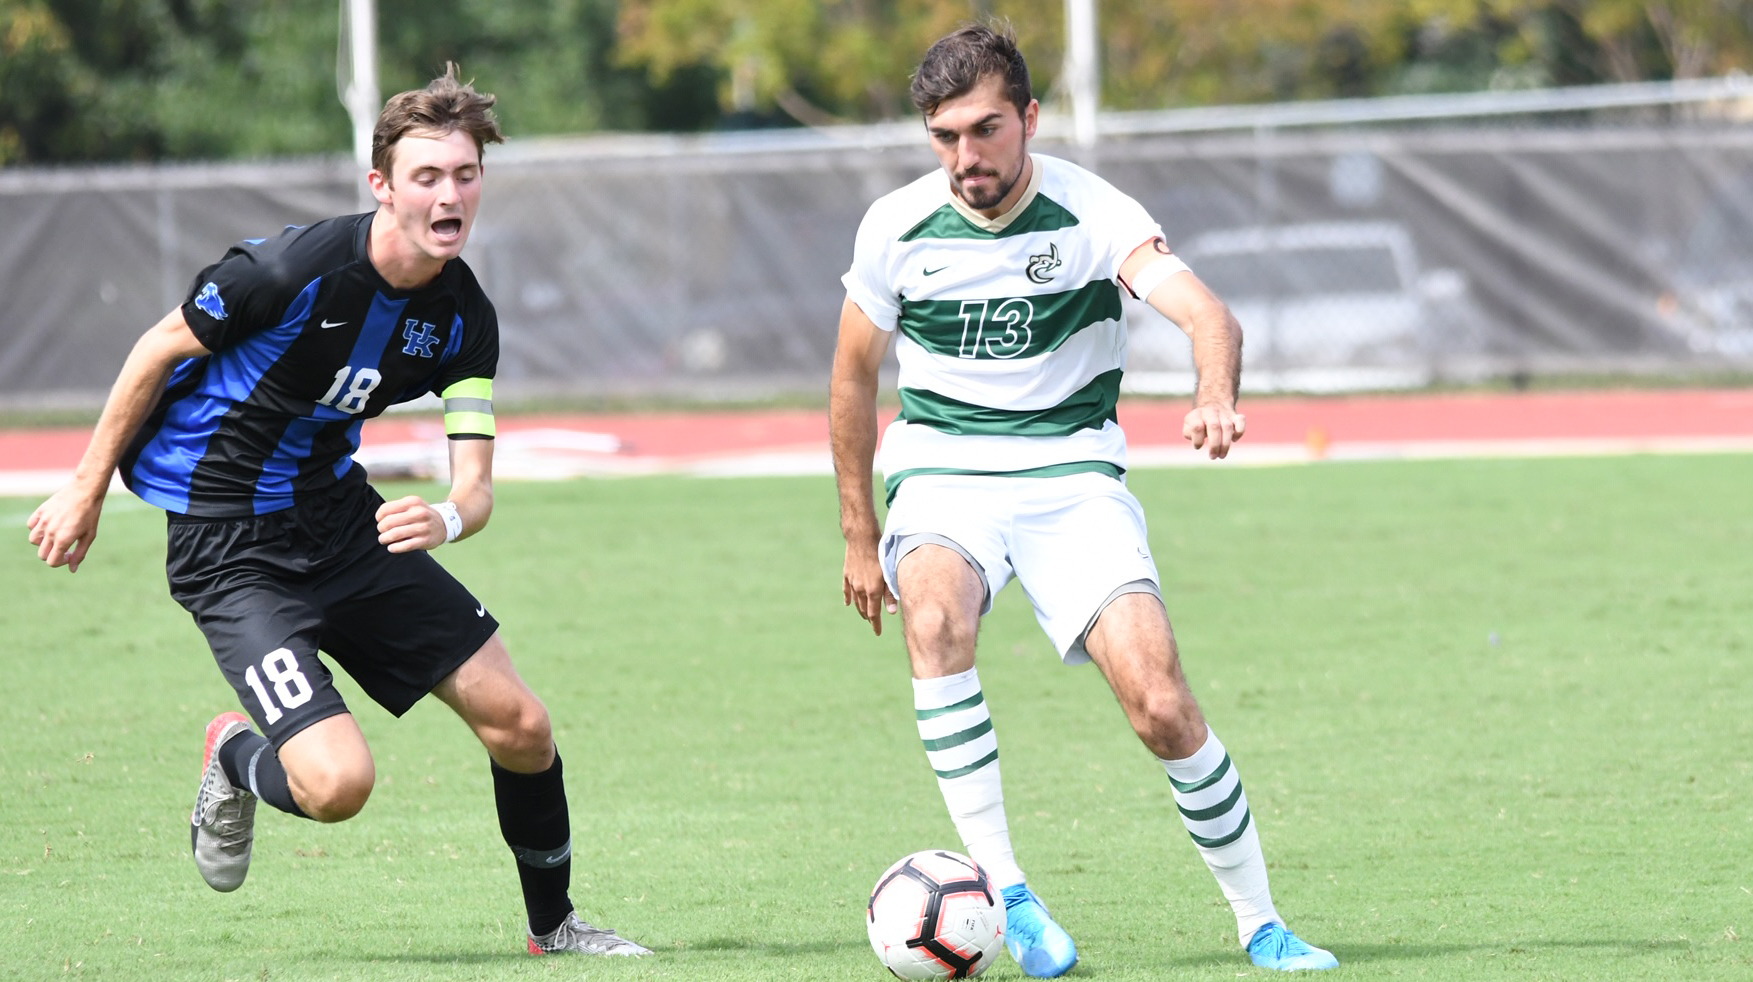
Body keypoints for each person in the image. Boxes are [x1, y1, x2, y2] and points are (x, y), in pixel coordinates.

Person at [25, 65, 649, 958]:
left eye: (465, 175)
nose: (449, 194)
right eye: (426, 177)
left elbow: (473, 484)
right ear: (382, 187)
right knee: (337, 787)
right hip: (229, 546)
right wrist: (86, 486)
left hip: (343, 524)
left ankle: (554, 928)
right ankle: (237, 757)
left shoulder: (464, 314)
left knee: (522, 724)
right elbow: (156, 346)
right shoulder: (291, 270)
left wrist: (449, 519)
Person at [830, 25, 1338, 976]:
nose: (965, 157)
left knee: (1159, 705)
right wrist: (861, 532)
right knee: (935, 620)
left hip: (1072, 482)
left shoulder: (1094, 211)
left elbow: (1204, 313)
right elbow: (852, 378)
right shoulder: (895, 225)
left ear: (1028, 118)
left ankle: (1260, 921)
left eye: (984, 130)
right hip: (943, 475)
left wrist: (1214, 393)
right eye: (943, 137)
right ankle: (1007, 892)